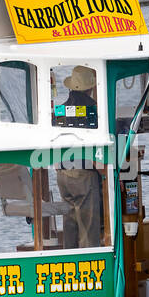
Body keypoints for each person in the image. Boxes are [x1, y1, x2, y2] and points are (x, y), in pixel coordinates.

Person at [56, 66, 103, 248]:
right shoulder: (92, 109)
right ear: (90, 87)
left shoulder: (61, 110)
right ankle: (90, 270)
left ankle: (70, 267)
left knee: (70, 226)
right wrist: (104, 172)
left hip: (62, 172)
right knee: (88, 228)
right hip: (83, 173)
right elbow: (95, 145)